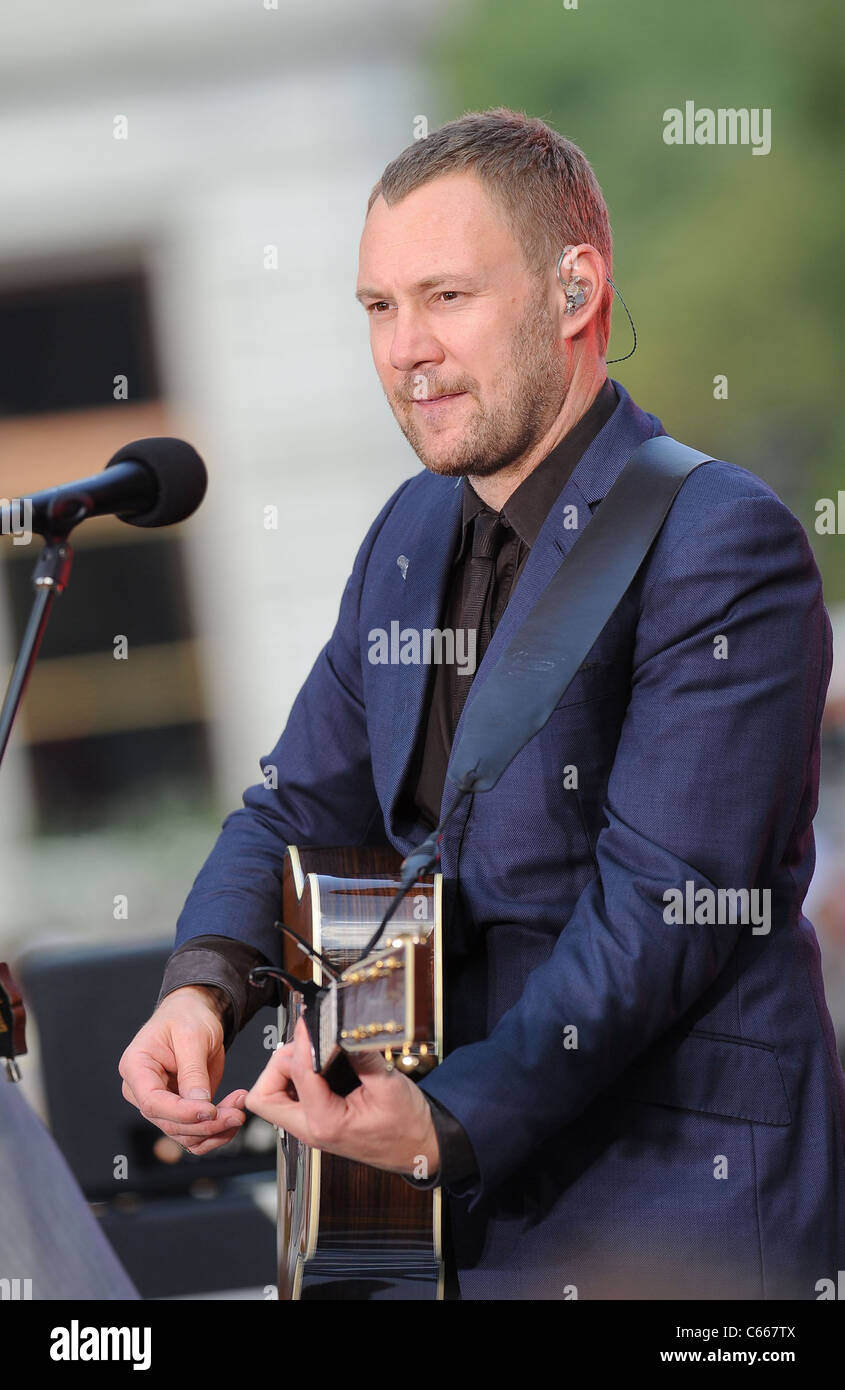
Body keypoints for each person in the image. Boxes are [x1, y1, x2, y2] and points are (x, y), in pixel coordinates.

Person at [119, 108, 845, 1300]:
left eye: (445, 297)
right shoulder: (406, 535)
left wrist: (437, 1124)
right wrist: (203, 984)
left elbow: (658, 916)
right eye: (376, 308)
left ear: (573, 293)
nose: (407, 349)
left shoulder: (720, 541)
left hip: (666, 1218)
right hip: (417, 1220)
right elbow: (297, 801)